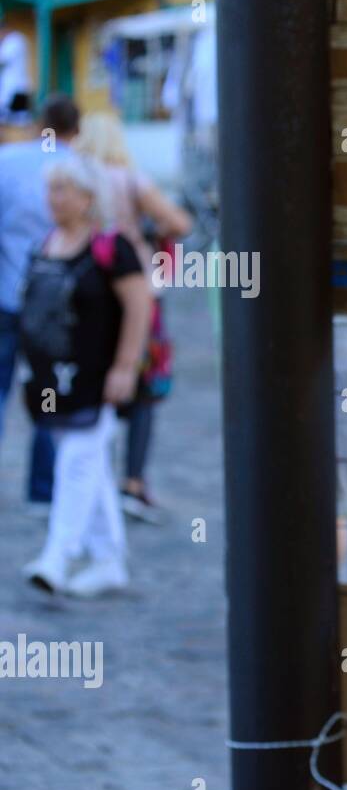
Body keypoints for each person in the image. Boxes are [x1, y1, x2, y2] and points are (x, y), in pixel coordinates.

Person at [19, 154, 152, 597]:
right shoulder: (45, 243)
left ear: (87, 197)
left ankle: (58, 555)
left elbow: (140, 306)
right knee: (87, 466)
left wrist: (125, 366)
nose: (53, 198)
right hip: (50, 381)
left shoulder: (112, 247)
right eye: (50, 189)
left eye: (62, 189)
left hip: (96, 378)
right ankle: (108, 558)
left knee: (77, 461)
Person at [76, 110, 191, 523]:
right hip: (140, 286)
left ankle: (93, 480)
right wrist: (144, 231)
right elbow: (178, 222)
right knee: (144, 390)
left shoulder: (76, 179)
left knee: (92, 380)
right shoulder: (128, 178)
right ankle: (133, 482)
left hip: (91, 290)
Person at [0, 95, 78, 516]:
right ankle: (42, 490)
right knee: (48, 392)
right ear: (74, 129)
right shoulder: (77, 170)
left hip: (6, 294)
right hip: (52, 306)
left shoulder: (7, 160)